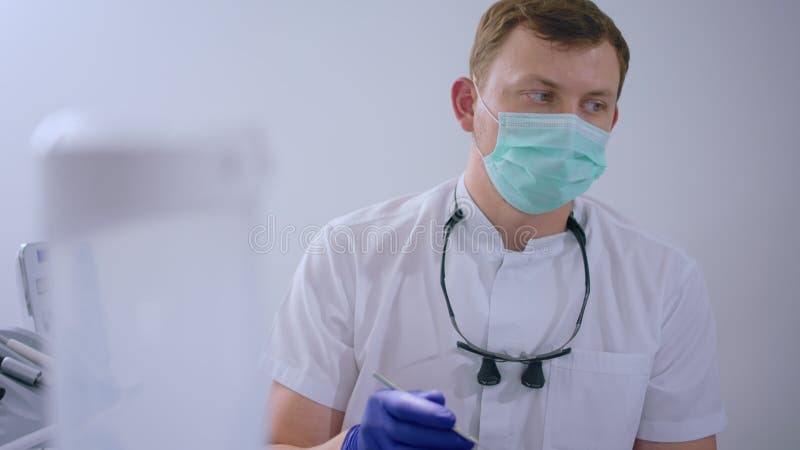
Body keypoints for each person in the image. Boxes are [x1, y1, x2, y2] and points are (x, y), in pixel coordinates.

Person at [264, 1, 726, 449]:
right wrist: (354, 448)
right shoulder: (350, 254)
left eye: (593, 105)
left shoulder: (664, 280)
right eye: (541, 95)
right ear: (468, 105)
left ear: (612, 121)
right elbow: (286, 443)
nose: (568, 125)